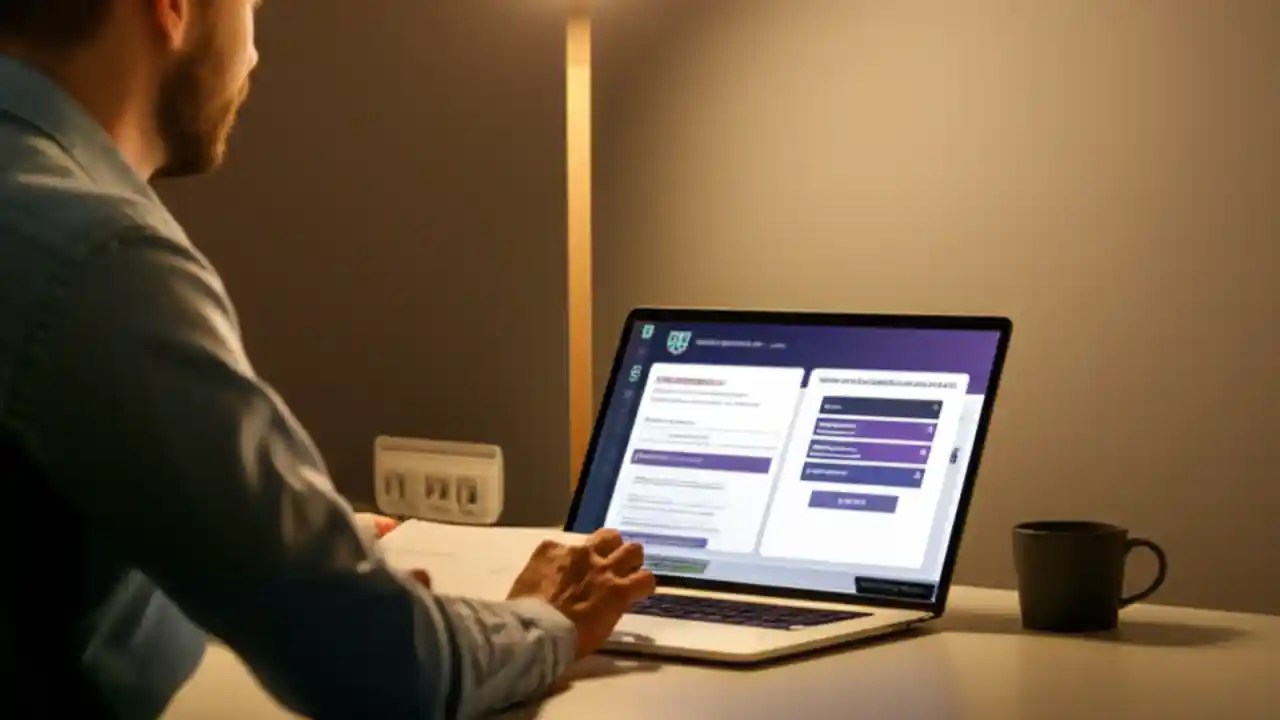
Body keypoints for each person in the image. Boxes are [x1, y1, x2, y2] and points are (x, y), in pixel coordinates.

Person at [0, 1, 655, 717]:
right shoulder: (99, 259)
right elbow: (377, 664)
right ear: (172, 8)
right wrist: (545, 620)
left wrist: (265, 529)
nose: (254, 53)